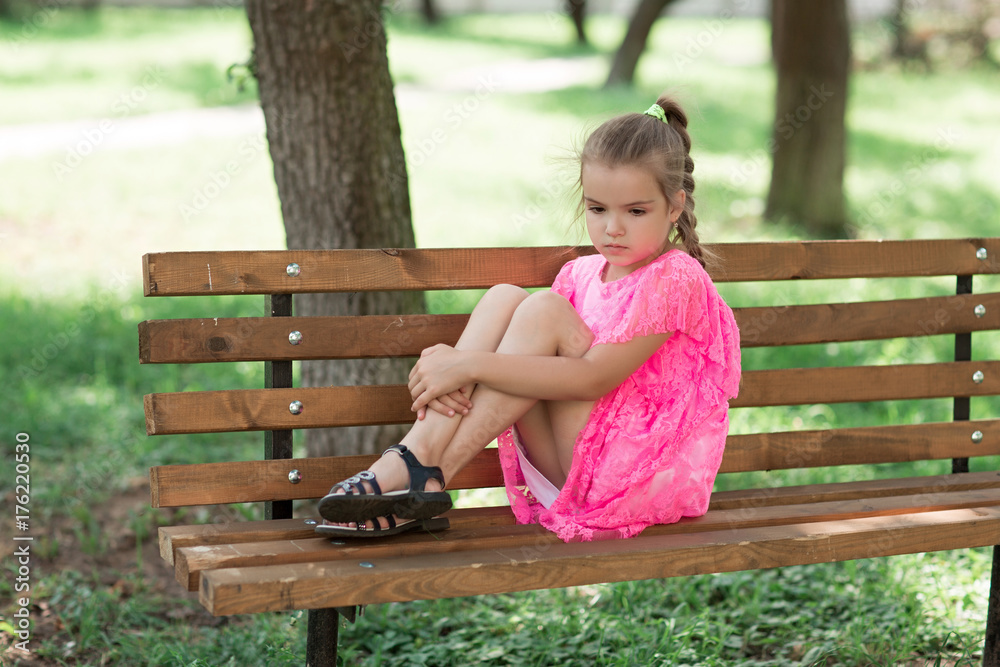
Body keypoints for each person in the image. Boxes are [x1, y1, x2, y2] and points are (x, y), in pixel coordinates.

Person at [317, 95, 741, 543]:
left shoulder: (676, 277)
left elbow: (592, 380)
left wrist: (465, 364)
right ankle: (423, 468)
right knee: (505, 297)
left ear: (674, 207)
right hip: (568, 459)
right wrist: (467, 363)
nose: (612, 227)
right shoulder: (577, 275)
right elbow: (532, 373)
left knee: (540, 308)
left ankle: (411, 464)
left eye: (635, 211)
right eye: (597, 209)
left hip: (628, 475)